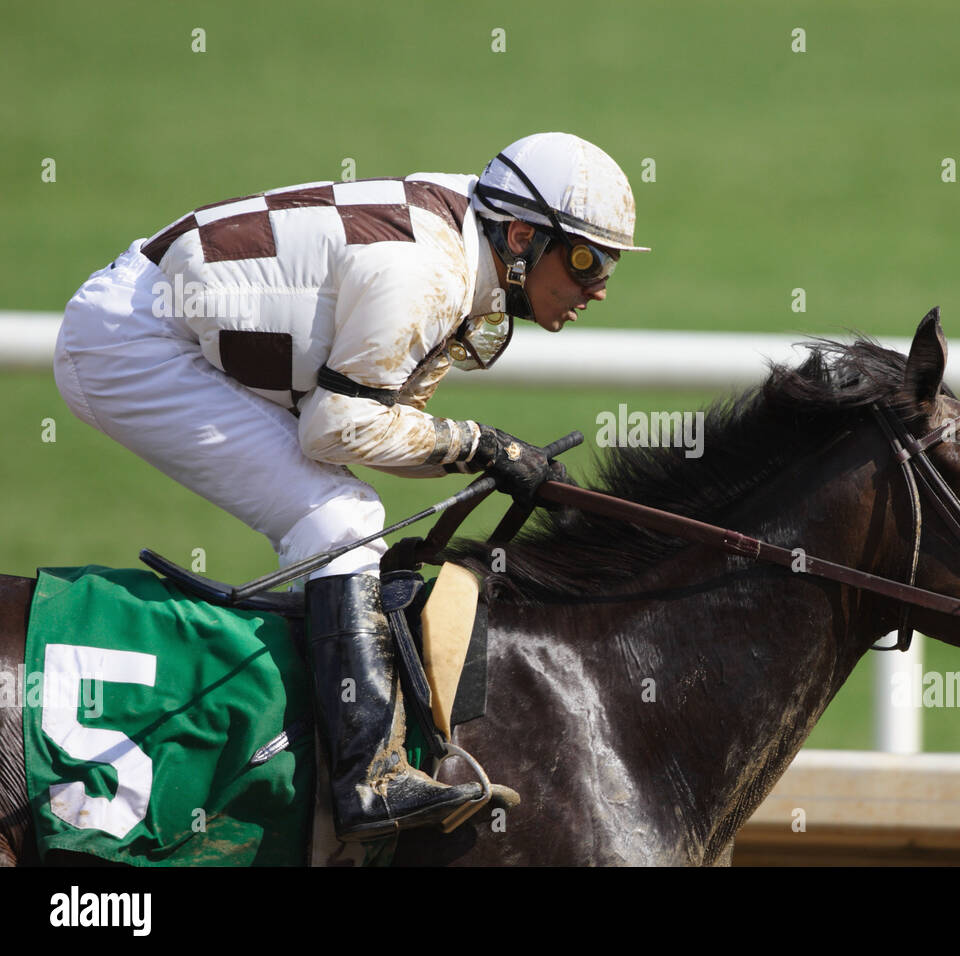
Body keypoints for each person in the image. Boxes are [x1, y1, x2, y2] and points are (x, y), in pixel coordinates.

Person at [52, 131, 649, 840]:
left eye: (606, 263)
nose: (600, 286)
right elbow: (335, 431)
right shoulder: (427, 275)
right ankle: (369, 780)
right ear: (520, 234)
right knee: (339, 516)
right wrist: (481, 446)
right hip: (132, 344)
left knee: (346, 511)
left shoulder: (466, 239)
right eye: (586, 259)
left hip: (165, 320)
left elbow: (381, 423)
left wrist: (481, 454)